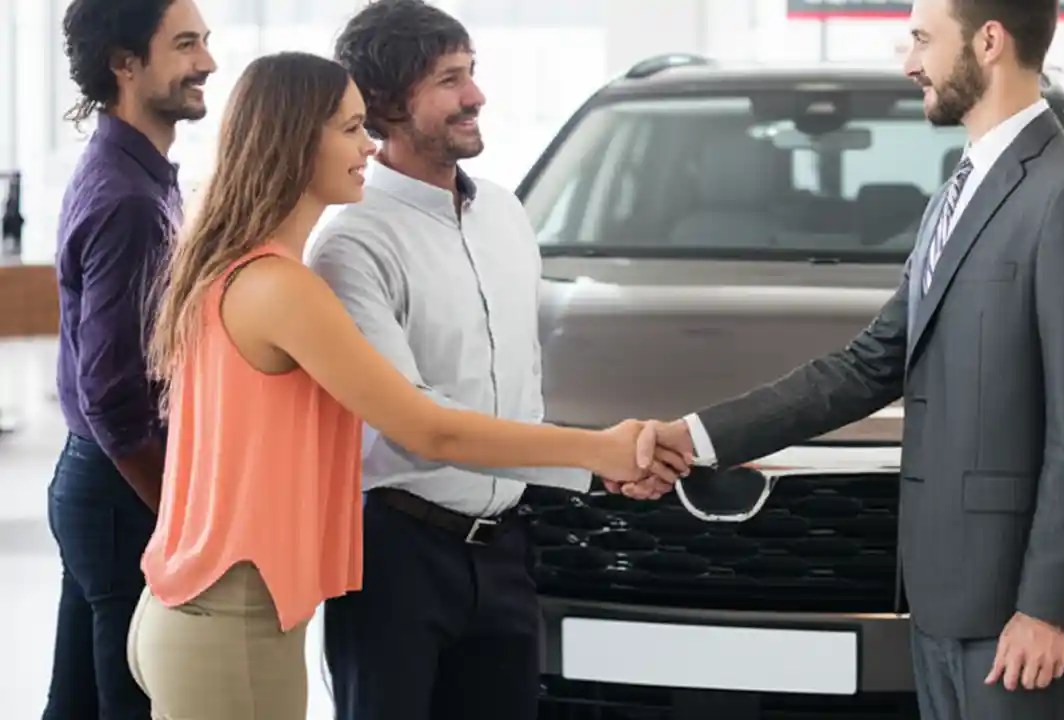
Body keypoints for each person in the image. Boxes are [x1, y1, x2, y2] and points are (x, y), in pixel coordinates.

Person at [123, 50, 680, 720]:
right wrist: (599, 450)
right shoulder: (283, 289)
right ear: (297, 140)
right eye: (351, 129)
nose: (369, 145)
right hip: (231, 623)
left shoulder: (237, 270)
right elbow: (425, 427)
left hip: (198, 609)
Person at [633, 0, 1064, 717]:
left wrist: (1047, 607)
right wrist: (694, 438)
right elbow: (869, 363)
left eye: (921, 40)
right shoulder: (955, 196)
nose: (910, 63)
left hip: (1010, 611)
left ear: (990, 42)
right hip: (939, 593)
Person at [306, 3, 681, 718]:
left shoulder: (508, 215)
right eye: (450, 80)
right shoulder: (351, 245)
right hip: (397, 556)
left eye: (472, 72)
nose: (476, 95)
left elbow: (519, 397)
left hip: (509, 546)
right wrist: (599, 454)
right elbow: (427, 428)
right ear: (386, 104)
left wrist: (596, 463)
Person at [46, 0, 215, 717]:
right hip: (122, 491)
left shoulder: (135, 175)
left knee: (77, 705)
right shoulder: (131, 201)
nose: (206, 61)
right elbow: (115, 399)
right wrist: (181, 520)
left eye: (204, 41)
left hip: (95, 482)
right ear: (125, 64)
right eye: (184, 45)